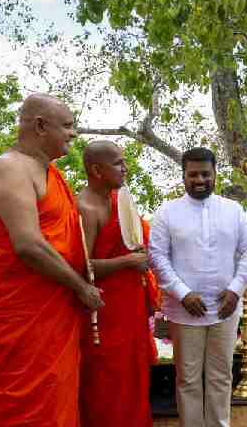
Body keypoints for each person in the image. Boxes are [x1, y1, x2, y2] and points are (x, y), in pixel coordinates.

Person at [0, 93, 103, 427]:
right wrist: (80, 287)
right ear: (40, 125)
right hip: (12, 321)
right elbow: (28, 245)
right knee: (14, 410)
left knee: (53, 401)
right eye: (67, 126)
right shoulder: (9, 168)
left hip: (50, 317)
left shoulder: (51, 175)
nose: (73, 134)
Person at [149, 147, 247, 427]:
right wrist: (183, 294)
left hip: (225, 307)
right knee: (187, 377)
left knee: (221, 376)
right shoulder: (167, 212)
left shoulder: (234, 210)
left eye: (205, 174)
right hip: (184, 310)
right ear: (183, 176)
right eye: (193, 174)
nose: (200, 179)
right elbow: (157, 257)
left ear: (215, 174)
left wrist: (235, 290)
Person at [77, 140, 159, 427]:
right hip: (103, 309)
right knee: (106, 379)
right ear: (96, 170)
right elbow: (79, 267)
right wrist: (126, 262)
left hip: (130, 307)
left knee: (132, 375)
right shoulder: (85, 208)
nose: (125, 168)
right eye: (118, 163)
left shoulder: (118, 200)